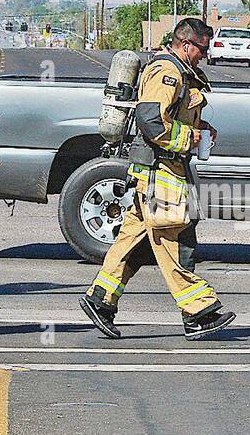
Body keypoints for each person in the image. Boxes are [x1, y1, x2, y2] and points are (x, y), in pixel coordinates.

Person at [79, 18, 236, 341]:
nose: (205, 56)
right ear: (187, 44)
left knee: (134, 243)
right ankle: (198, 311)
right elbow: (151, 121)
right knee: (174, 241)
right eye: (203, 49)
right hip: (159, 173)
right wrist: (189, 138)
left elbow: (174, 116)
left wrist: (201, 130)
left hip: (163, 172)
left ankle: (101, 300)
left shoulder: (183, 72)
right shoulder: (167, 72)